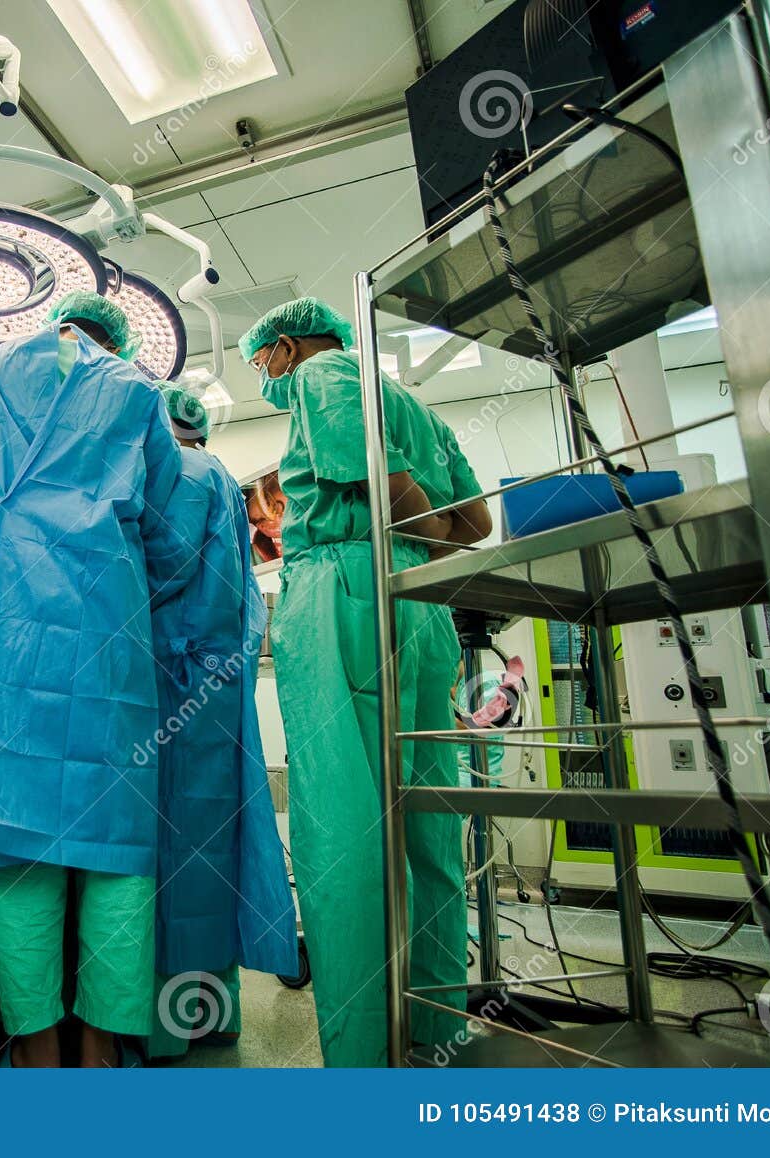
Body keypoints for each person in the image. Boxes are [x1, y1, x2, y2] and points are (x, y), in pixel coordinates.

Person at [240, 295, 490, 1067]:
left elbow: (377, 482)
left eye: (261, 364)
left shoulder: (326, 375)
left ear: (286, 347)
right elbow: (476, 525)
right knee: (428, 821)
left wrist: (407, 523)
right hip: (418, 604)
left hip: (344, 594)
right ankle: (439, 1027)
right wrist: (426, 533)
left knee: (343, 826)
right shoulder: (412, 400)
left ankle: (363, 1058)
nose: (266, 378)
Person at [0, 290, 186, 1067]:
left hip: (5, 621)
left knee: (12, 832)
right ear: (113, 335)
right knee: (112, 840)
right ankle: (99, 1050)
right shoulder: (135, 389)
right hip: (103, 623)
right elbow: (167, 529)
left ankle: (37, 1050)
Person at [144, 385, 298, 1061]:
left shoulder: (182, 472)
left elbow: (162, 568)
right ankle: (212, 1013)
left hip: (169, 684)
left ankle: (163, 1028)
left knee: (170, 858)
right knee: (210, 851)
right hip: (209, 692)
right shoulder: (222, 480)